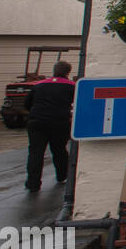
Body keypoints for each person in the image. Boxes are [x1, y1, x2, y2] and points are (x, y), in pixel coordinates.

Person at [25, 61, 76, 194]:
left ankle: (33, 183)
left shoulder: (39, 84)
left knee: (36, 152)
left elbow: (27, 103)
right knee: (59, 149)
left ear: (54, 70)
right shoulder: (71, 86)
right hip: (59, 122)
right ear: (68, 72)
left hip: (37, 121)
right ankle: (62, 176)